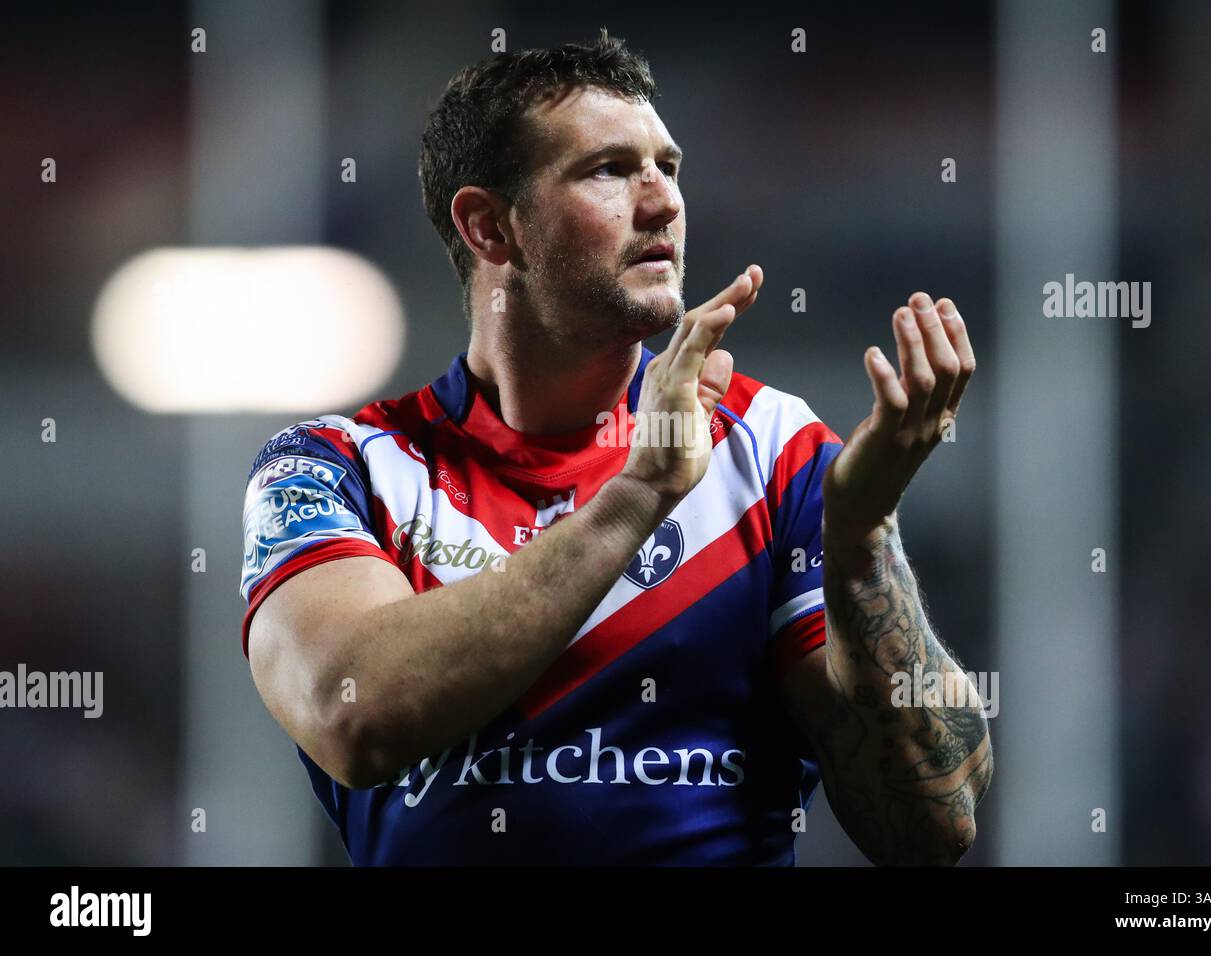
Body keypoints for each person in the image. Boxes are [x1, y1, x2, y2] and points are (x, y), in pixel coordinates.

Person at [239, 30, 991, 865]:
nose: (663, 200)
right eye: (608, 169)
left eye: (667, 167)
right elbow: (354, 717)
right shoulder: (336, 468)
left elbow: (930, 827)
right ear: (491, 227)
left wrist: (861, 536)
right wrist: (637, 496)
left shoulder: (772, 451)